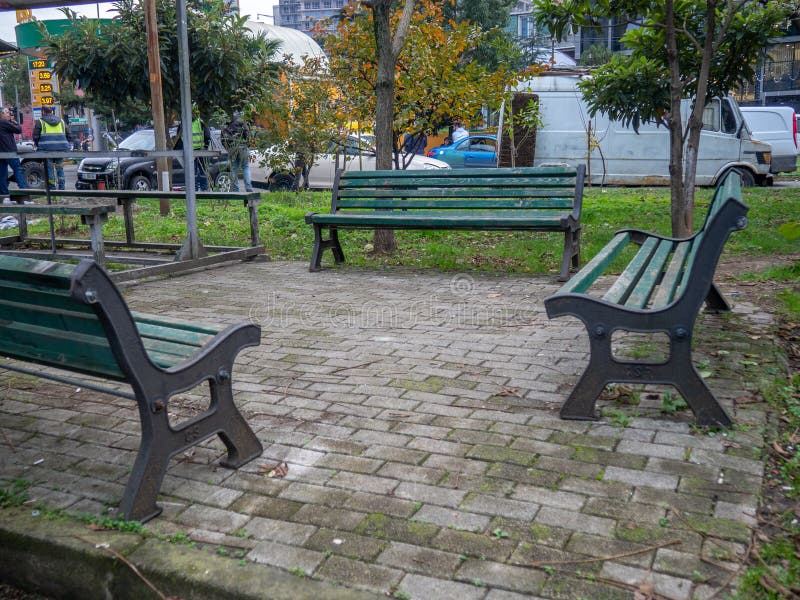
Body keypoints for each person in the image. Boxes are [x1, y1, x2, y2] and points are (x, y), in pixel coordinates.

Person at [33, 106, 70, 190]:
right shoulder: (61, 121)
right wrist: (66, 144)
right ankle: (62, 188)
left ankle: (52, 189)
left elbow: (35, 136)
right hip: (60, 149)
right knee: (60, 168)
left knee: (49, 169)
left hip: (46, 150)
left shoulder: (40, 122)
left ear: (43, 112)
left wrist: (39, 145)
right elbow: (69, 134)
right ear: (52, 112)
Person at [222, 111, 254, 192]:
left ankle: (235, 189)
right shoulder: (242, 122)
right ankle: (249, 188)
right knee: (245, 167)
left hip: (232, 148)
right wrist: (247, 145)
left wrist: (228, 148)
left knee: (234, 169)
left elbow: (222, 138)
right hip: (243, 147)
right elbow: (248, 134)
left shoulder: (227, 124)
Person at [0, 107, 27, 200]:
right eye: (6, 113)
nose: (9, 114)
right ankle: (24, 193)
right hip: (9, 151)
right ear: (1, 114)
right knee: (18, 170)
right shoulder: (4, 122)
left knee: (2, 173)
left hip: (1, 152)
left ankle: (4, 196)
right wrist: (14, 121)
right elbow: (18, 130)